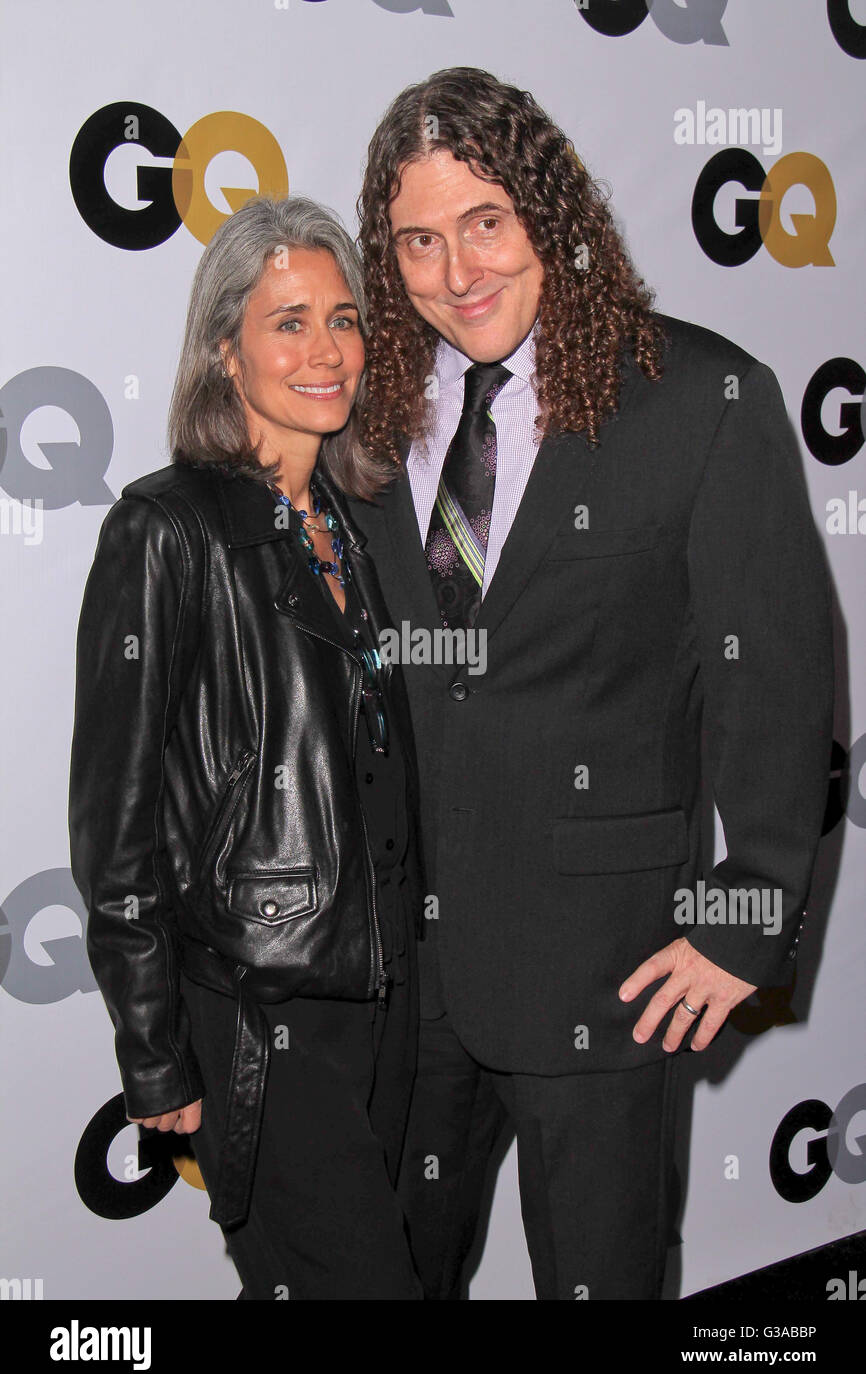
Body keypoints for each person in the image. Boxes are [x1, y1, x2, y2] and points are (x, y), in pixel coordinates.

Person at [348, 67, 835, 1300]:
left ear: (547, 216)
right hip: (398, 970)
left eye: (483, 223)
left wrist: (742, 918)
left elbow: (773, 678)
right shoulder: (368, 416)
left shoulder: (698, 400)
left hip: (604, 967)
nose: (454, 273)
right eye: (415, 240)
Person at [68, 195, 424, 1300]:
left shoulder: (363, 527)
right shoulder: (163, 528)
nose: (326, 350)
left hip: (390, 993)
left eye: (344, 317)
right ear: (225, 348)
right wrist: (152, 1048)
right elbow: (115, 817)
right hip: (260, 1010)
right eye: (287, 321)